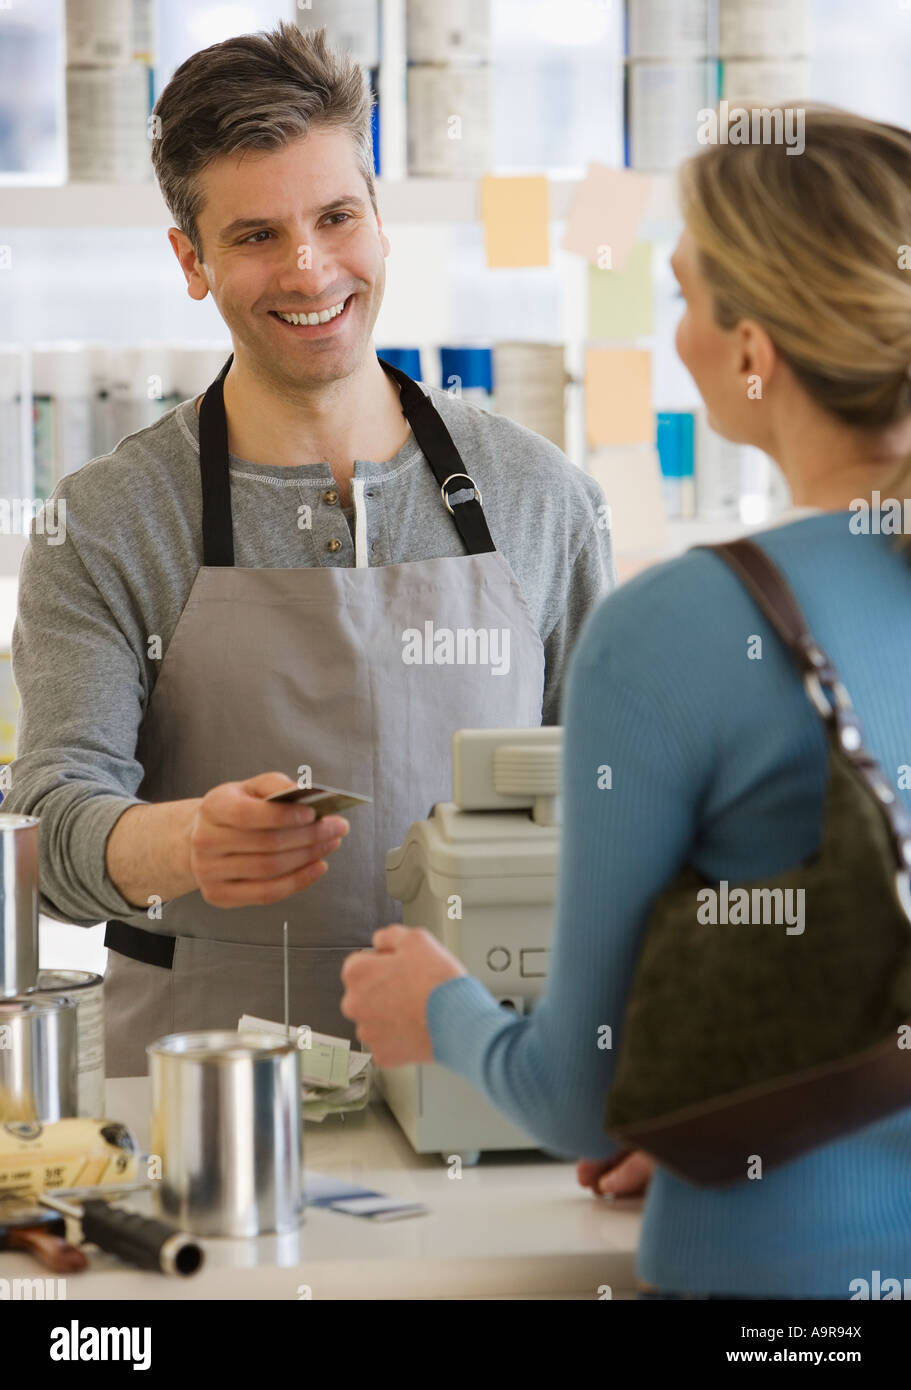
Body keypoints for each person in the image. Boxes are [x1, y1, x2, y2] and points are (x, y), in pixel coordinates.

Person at [340, 106, 911, 1298]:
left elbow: (573, 1095)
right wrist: (734, 1095)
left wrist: (434, 1007)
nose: (678, 338)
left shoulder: (687, 627)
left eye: (684, 300)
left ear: (752, 345)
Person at [5, 25, 613, 1077]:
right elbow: (47, 828)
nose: (308, 268)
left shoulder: (539, 497)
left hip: (495, 1088)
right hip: (208, 1116)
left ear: (379, 220)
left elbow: (617, 810)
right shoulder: (106, 522)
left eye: (336, 217)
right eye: (253, 236)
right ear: (189, 261)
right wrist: (183, 843)